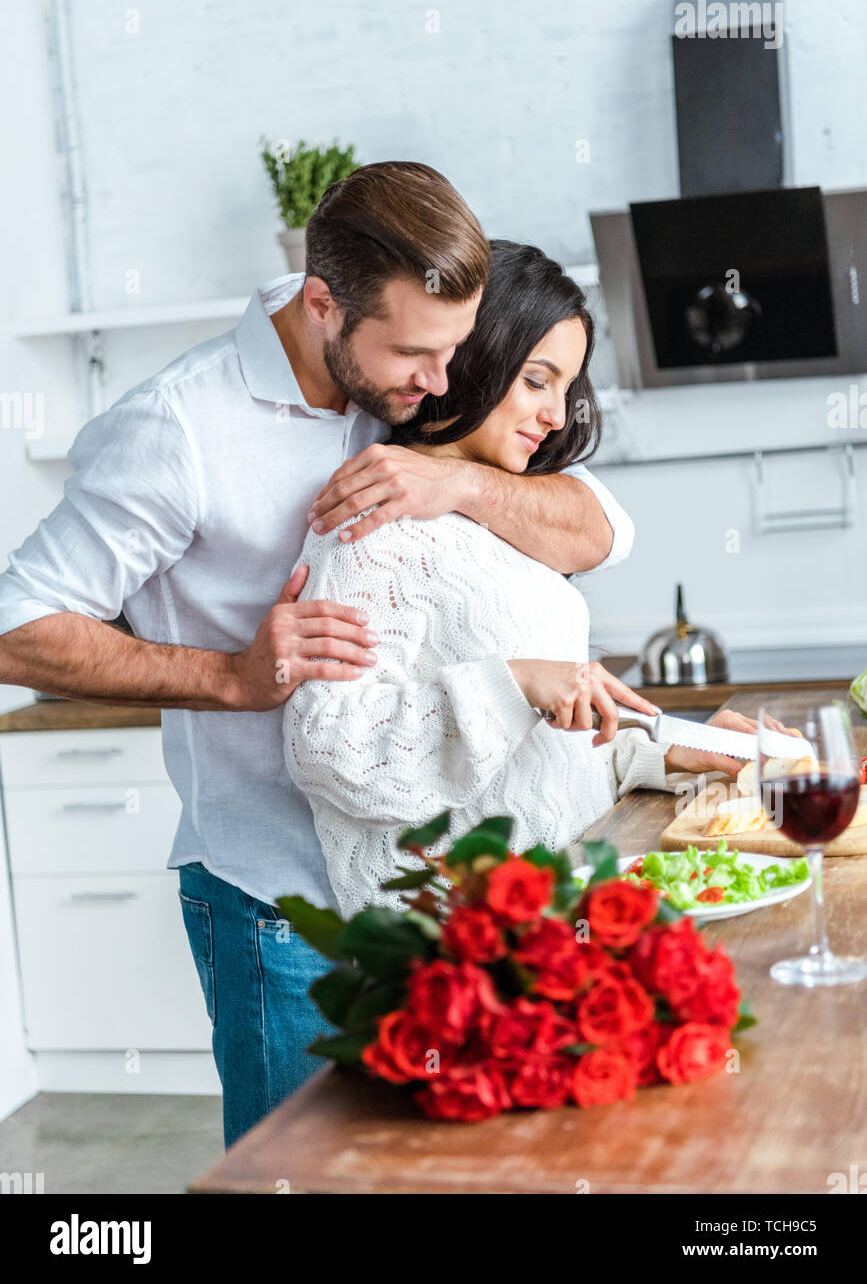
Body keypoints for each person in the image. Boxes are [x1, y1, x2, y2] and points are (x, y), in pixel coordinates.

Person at [0, 162, 636, 1149]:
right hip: (279, 910)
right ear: (322, 303)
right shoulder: (180, 429)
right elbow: (16, 628)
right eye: (417, 357)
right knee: (299, 1178)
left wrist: (451, 482)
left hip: (415, 895)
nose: (438, 383)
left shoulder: (398, 368)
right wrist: (226, 676)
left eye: (457, 352)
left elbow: (599, 524)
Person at [283, 240, 762, 920]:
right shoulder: (372, 525)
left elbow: (534, 758)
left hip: (556, 924)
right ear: (472, 357)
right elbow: (330, 752)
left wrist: (668, 752)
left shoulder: (500, 519)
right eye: (537, 381)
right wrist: (513, 681)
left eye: (565, 389)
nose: (557, 415)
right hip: (459, 952)